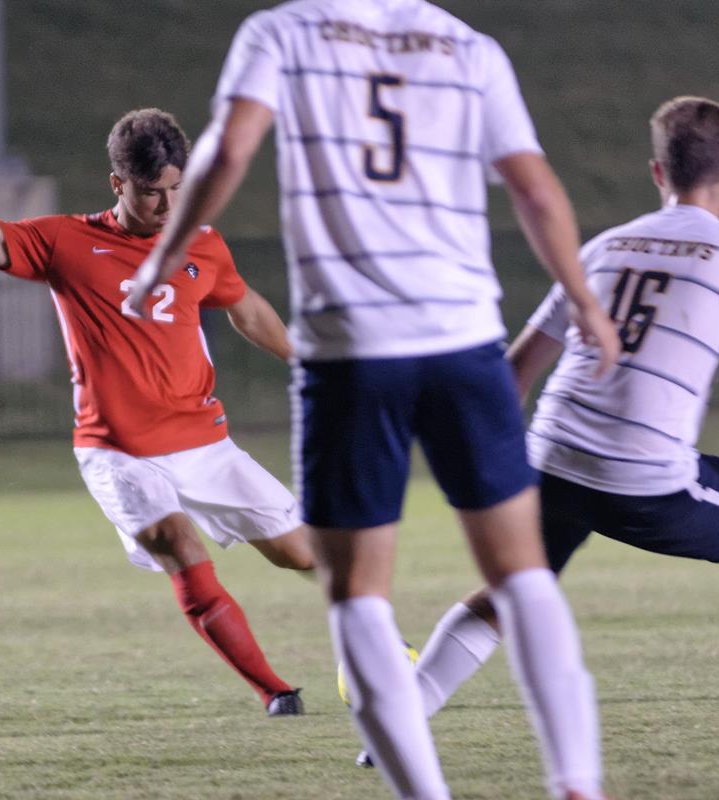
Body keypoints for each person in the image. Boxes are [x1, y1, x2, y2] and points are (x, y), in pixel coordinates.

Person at [125, 2, 622, 797]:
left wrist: (160, 258)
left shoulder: (282, 32)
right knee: (522, 576)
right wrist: (584, 300)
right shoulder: (469, 47)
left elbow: (228, 150)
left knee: (357, 597)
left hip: (351, 349)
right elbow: (534, 188)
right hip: (463, 341)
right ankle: (577, 783)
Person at [393, 97, 719, 765]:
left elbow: (513, 374)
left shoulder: (602, 248)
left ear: (657, 171)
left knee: (512, 590)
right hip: (645, 482)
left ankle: (397, 725)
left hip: (549, 461)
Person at [0, 108, 316, 716]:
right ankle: (276, 691)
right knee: (179, 543)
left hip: (205, 443)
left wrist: (306, 363)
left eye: (177, 190)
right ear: (117, 184)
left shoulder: (202, 243)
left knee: (304, 555)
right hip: (120, 453)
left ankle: (383, 648)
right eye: (151, 193)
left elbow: (246, 307)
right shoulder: (65, 242)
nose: (166, 206)